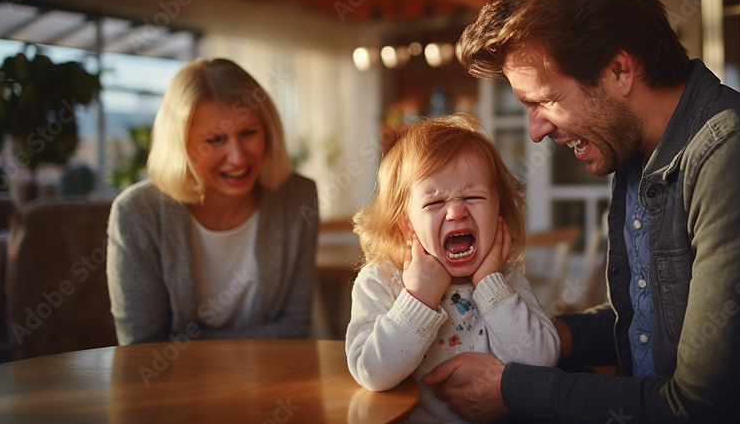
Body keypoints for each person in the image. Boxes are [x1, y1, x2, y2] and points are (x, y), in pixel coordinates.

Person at [422, 0, 740, 422]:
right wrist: (543, 335)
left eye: (546, 99)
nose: (536, 131)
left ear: (619, 70)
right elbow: (649, 322)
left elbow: (705, 409)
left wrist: (512, 389)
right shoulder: (641, 157)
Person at [345, 114, 560, 423]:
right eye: (434, 203)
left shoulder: (504, 281)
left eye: (473, 197)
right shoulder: (382, 281)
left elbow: (540, 363)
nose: (457, 211)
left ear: (499, 210)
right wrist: (418, 298)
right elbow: (372, 373)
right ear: (407, 224)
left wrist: (490, 283)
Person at [106, 58, 319, 344]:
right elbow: (142, 349)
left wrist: (186, 343)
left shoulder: (298, 197)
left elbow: (294, 329)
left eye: (248, 133)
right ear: (180, 146)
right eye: (215, 139)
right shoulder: (136, 213)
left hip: (275, 382)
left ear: (269, 131)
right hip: (175, 388)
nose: (238, 158)